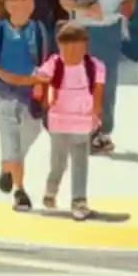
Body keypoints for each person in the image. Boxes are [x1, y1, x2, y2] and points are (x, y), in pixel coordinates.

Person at [59, 0, 135, 153]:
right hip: (83, 29)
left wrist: (125, 9)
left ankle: (103, 129)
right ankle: (88, 130)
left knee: (108, 82)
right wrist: (84, 7)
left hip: (110, 27)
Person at [0, 0, 48, 210]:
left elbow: (44, 60)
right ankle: (20, 191)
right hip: (5, 91)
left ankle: (7, 167)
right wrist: (3, 75)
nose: (26, 2)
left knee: (30, 132)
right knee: (11, 138)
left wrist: (42, 84)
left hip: (30, 91)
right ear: (8, 4)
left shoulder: (37, 29)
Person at [34, 22, 104, 221]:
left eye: (77, 46)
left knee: (80, 161)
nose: (72, 51)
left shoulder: (95, 66)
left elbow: (98, 90)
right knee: (59, 162)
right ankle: (51, 190)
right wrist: (40, 90)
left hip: (82, 121)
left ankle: (78, 201)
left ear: (85, 46)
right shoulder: (54, 63)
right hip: (58, 121)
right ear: (59, 45)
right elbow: (40, 77)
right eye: (67, 46)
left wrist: (96, 113)